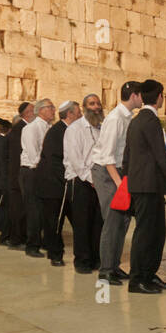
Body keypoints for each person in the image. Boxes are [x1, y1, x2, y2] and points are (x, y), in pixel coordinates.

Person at [120, 79, 166, 292]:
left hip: (143, 185)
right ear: (160, 97)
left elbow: (127, 155)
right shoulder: (150, 120)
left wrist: (127, 179)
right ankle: (138, 279)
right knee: (147, 233)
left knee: (155, 232)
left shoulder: (137, 120)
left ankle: (149, 274)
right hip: (147, 186)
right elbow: (161, 155)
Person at [90, 81, 142, 285]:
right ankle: (105, 271)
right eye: (141, 95)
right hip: (107, 172)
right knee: (112, 222)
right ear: (134, 96)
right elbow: (107, 156)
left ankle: (114, 265)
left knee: (122, 221)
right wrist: (120, 184)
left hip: (118, 172)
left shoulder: (127, 117)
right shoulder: (116, 118)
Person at [63, 94, 103, 273]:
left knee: (98, 223)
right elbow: (75, 159)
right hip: (80, 181)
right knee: (82, 223)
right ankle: (82, 261)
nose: (96, 107)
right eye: (91, 104)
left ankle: (96, 259)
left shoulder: (101, 128)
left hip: (99, 181)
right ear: (85, 107)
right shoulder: (75, 129)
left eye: (98, 103)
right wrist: (91, 178)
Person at [36, 100, 78, 266]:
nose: (81, 116)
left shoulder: (66, 130)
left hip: (63, 184)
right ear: (70, 114)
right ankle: (55, 254)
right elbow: (54, 160)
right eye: (78, 113)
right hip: (54, 185)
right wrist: (67, 179)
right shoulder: (58, 131)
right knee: (54, 221)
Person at [20, 99, 54, 257]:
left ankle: (45, 241)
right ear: (41, 110)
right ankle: (32, 245)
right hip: (32, 171)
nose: (53, 110)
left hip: (44, 172)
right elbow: (34, 154)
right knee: (34, 210)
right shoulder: (31, 128)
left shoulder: (49, 127)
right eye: (50, 107)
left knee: (44, 209)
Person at [3, 102, 33, 249]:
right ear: (27, 113)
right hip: (17, 178)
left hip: (19, 177)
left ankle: (21, 237)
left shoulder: (24, 128)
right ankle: (16, 240)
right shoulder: (19, 130)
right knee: (18, 210)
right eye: (34, 110)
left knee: (22, 209)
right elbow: (15, 157)